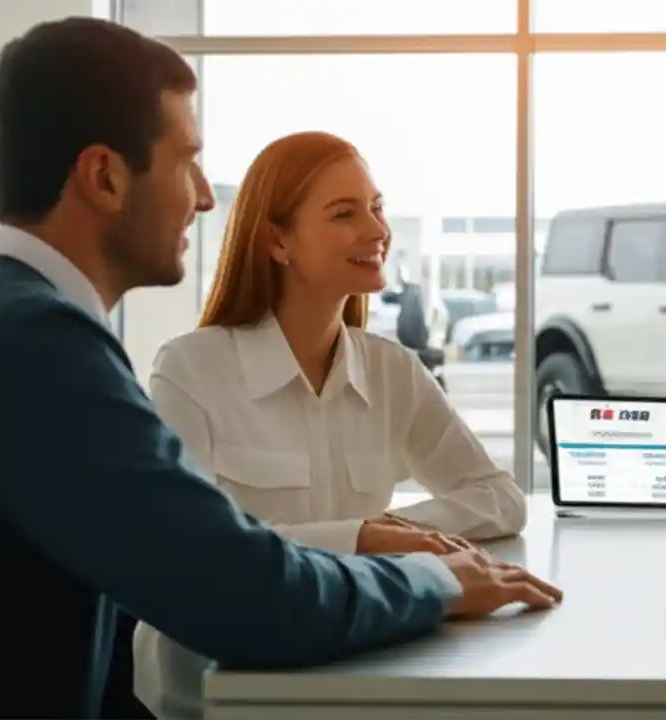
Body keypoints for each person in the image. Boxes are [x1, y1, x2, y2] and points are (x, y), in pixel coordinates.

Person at [0, 17, 560, 719]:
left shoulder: (27, 325)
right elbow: (237, 589)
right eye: (185, 162)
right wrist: (434, 580)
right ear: (104, 176)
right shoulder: (39, 342)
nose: (204, 196)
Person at [131, 130, 527, 717]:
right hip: (206, 690)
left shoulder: (392, 370)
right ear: (277, 240)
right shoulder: (191, 368)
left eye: (376, 208)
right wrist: (361, 538)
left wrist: (388, 527)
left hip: (350, 666)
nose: (377, 231)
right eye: (345, 214)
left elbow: (500, 499)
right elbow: (191, 550)